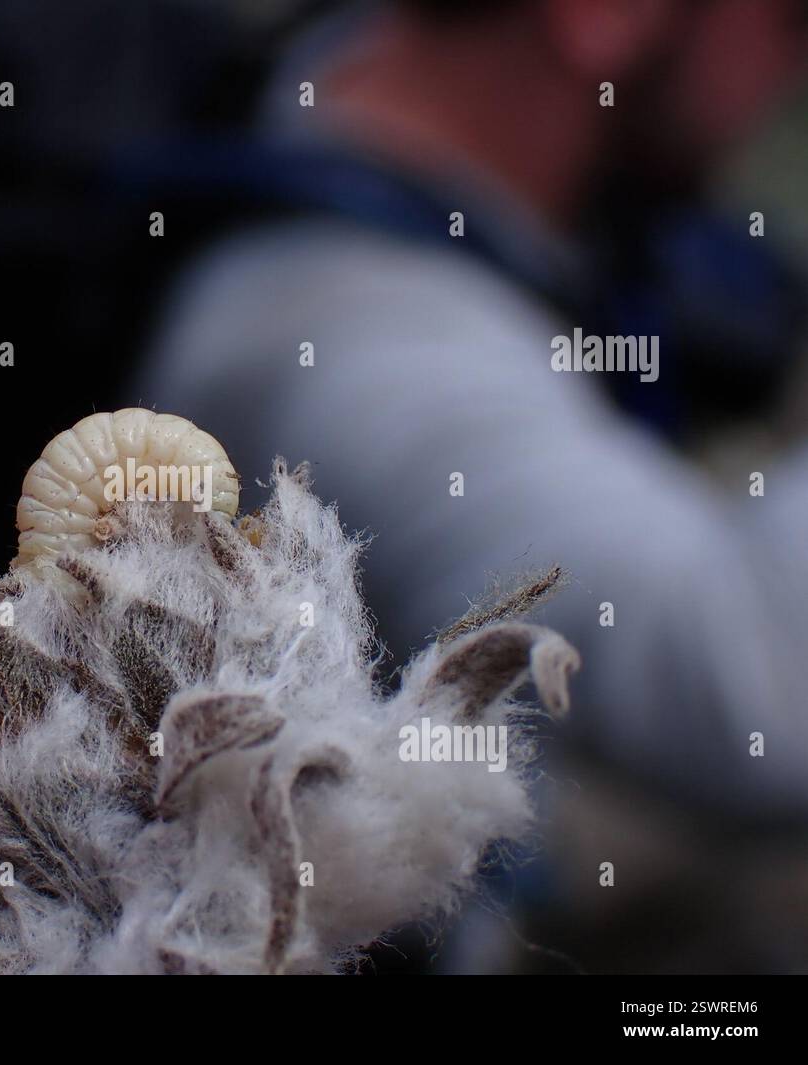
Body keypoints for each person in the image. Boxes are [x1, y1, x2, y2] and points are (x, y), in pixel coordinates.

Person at [137, 0, 808, 825]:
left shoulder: (325, 94)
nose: (792, 71)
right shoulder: (347, 340)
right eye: (790, 22)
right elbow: (762, 688)